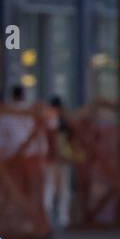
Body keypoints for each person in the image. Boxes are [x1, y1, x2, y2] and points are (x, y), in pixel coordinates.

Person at [44, 95, 75, 230]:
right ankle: (62, 217)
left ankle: (52, 216)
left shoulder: (48, 118)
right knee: (61, 188)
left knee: (51, 187)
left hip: (53, 156)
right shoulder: (63, 119)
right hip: (60, 156)